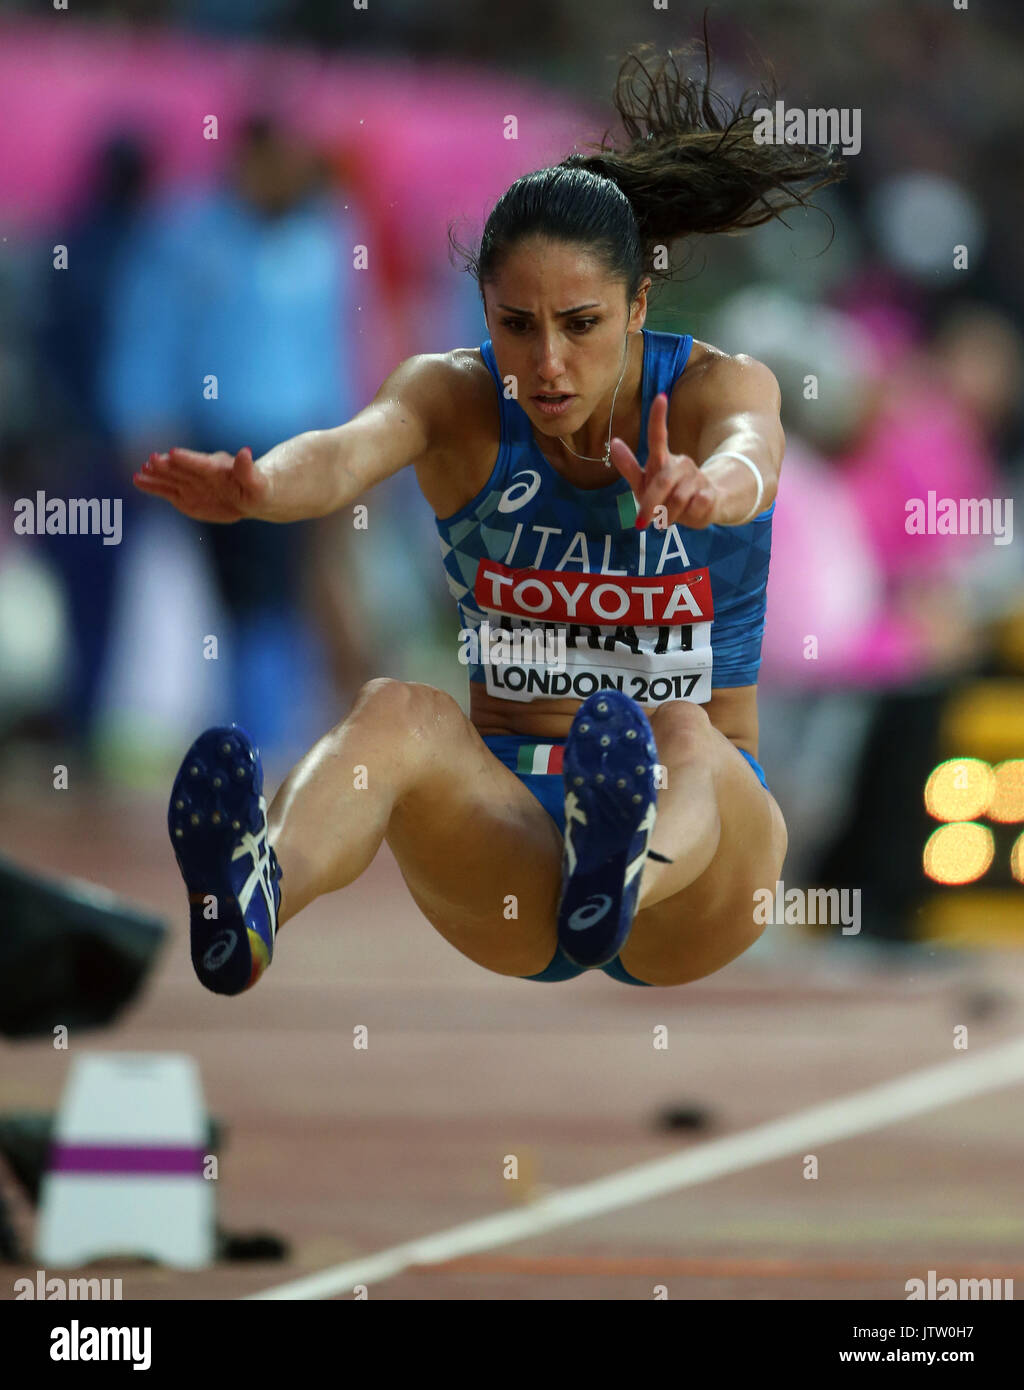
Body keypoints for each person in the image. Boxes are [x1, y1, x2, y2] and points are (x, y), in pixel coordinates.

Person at [133, 44, 842, 993]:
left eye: (581, 324)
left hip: (706, 867)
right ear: (484, 312)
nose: (547, 362)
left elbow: (752, 451)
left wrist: (712, 487)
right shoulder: (453, 399)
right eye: (517, 325)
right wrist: (264, 488)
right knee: (397, 709)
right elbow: (349, 448)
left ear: (637, 307)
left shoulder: (718, 388)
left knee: (683, 731)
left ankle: (625, 865)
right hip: (517, 857)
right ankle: (257, 895)